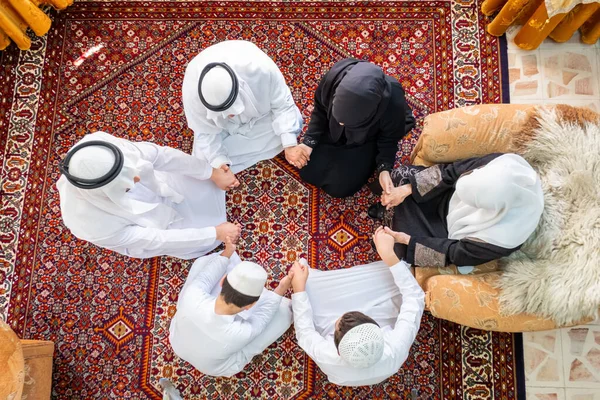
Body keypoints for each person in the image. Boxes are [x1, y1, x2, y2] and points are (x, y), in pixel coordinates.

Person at [57, 131, 241, 259]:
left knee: (202, 183)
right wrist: (214, 233)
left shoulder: (102, 146)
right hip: (153, 225)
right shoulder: (91, 224)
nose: (137, 177)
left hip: (163, 185)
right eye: (127, 184)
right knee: (205, 239)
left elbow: (161, 157)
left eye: (130, 172)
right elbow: (156, 240)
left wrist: (211, 173)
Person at [288, 227, 425, 386]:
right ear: (377, 327)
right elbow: (415, 297)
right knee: (398, 275)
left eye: (338, 324)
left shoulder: (327, 355)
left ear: (337, 350)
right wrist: (389, 256)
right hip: (385, 316)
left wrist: (298, 289)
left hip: (326, 324)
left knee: (308, 286)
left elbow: (304, 333)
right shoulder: (397, 344)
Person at [379, 153, 545, 268]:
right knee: (400, 177)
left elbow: (455, 254)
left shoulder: (506, 239)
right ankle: (388, 208)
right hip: (445, 192)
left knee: (398, 247)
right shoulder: (501, 164)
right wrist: (406, 190)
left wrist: (408, 240)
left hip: (445, 231)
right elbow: (451, 172)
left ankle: (385, 214)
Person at [290, 58, 416, 198]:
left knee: (339, 187)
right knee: (308, 171)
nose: (342, 124)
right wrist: (309, 142)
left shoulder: (392, 104)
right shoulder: (334, 79)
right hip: (332, 127)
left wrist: (384, 168)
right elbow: (320, 111)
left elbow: (388, 139)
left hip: (367, 136)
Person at [182, 40, 305, 181]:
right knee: (206, 162)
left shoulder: (261, 70)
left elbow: (283, 105)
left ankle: (229, 160)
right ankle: (223, 167)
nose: (229, 115)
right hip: (223, 129)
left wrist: (289, 145)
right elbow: (205, 131)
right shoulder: (192, 92)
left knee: (291, 124)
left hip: (260, 119)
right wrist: (220, 162)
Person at [169, 238, 293, 377]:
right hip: (215, 368)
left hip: (177, 344)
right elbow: (263, 317)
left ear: (222, 281)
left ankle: (232, 264)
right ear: (250, 306)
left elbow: (206, 276)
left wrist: (228, 251)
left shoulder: (193, 296)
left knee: (203, 265)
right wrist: (284, 285)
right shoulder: (241, 333)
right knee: (285, 312)